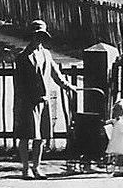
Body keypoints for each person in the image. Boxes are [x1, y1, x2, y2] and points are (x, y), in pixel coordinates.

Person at [13, 19, 79, 179]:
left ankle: (37, 167)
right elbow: (18, 84)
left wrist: (67, 86)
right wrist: (20, 103)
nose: (39, 39)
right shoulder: (22, 57)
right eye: (36, 35)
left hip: (44, 100)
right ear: (31, 36)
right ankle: (25, 168)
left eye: (42, 36)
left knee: (41, 137)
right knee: (26, 136)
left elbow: (56, 74)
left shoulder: (46, 54)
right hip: (28, 101)